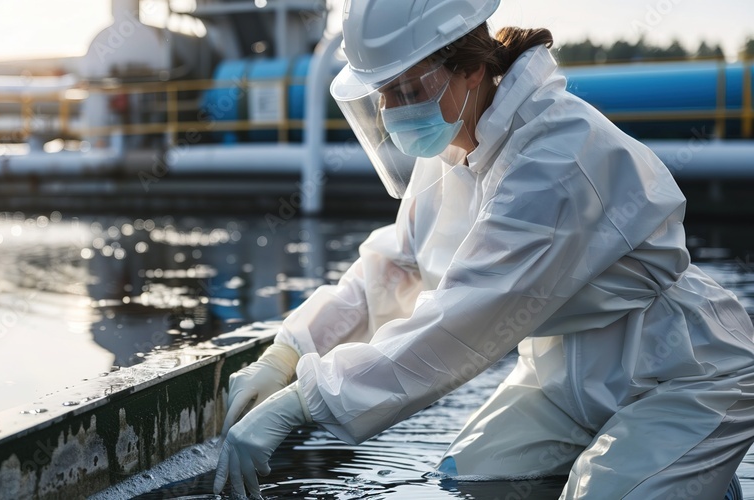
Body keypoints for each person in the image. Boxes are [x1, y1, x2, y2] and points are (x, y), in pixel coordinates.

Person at [214, 0, 754, 498]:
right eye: (382, 94)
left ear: (471, 68)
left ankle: (705, 481)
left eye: (408, 89)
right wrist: (288, 351)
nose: (393, 110)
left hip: (683, 375)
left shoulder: (555, 159)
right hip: (565, 372)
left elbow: (462, 322)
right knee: (470, 478)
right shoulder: (456, 143)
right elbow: (394, 269)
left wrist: (306, 401)